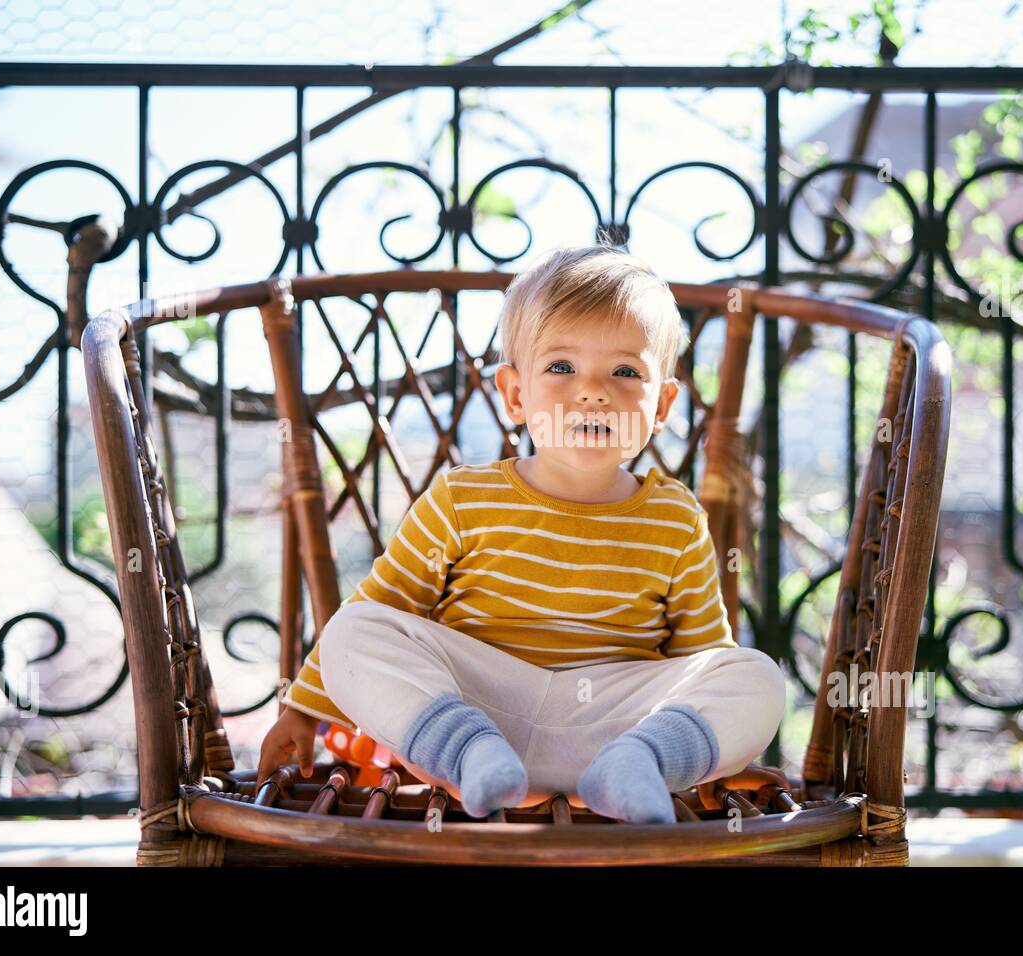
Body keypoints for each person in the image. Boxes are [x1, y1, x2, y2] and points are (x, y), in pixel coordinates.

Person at [255, 243, 786, 823]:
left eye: (624, 371)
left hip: (614, 730)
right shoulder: (463, 499)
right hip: (479, 713)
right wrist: (304, 711)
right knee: (355, 629)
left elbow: (700, 658)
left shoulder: (675, 519)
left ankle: (645, 764)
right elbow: (383, 608)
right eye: (561, 367)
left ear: (660, 405)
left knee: (754, 676)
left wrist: (712, 752)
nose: (592, 390)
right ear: (514, 395)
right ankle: (470, 755)